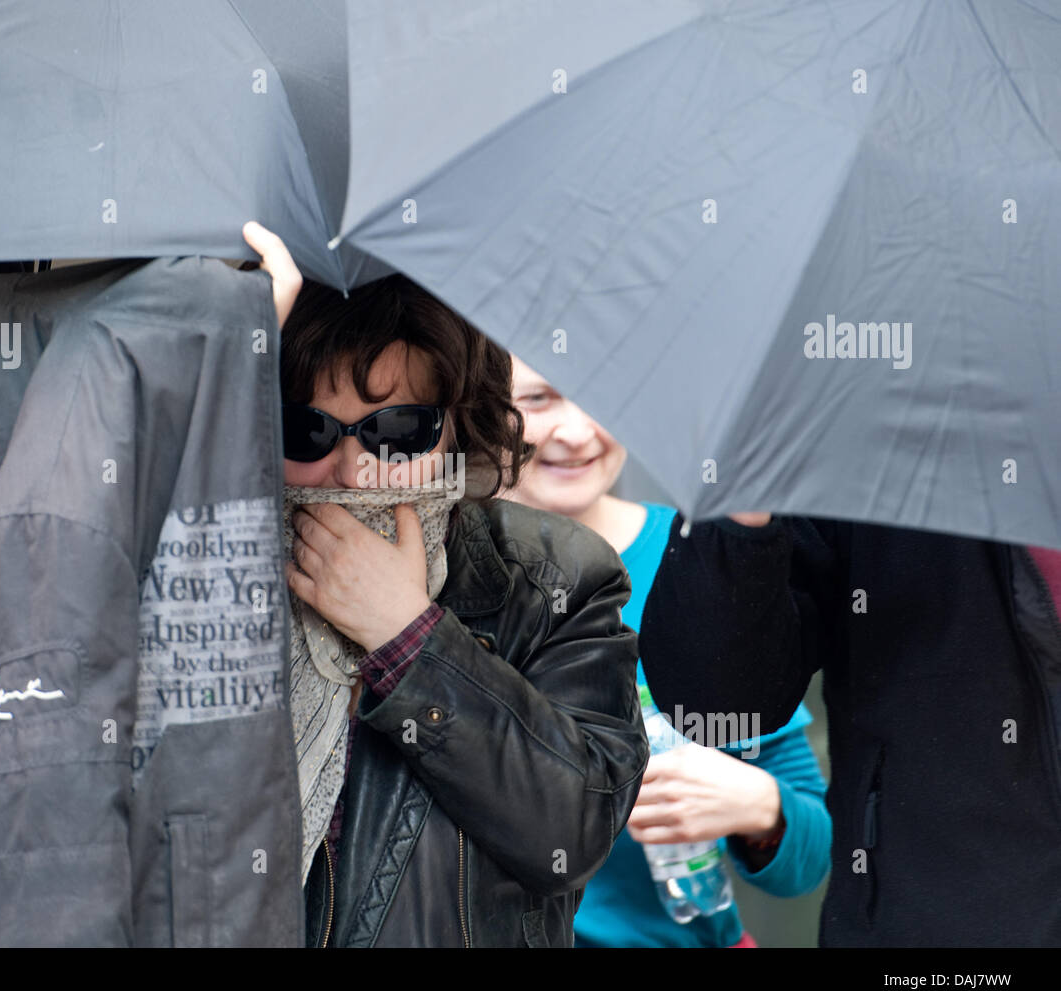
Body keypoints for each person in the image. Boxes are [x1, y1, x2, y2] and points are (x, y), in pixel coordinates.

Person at [277, 274, 649, 947]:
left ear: (457, 431)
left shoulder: (555, 578)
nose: (354, 469)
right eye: (308, 431)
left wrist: (406, 637)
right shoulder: (215, 572)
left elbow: (570, 832)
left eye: (396, 431)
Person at [504, 355, 831, 947]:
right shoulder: (425, 574)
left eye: (602, 394)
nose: (579, 431)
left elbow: (812, 856)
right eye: (538, 399)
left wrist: (759, 807)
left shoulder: (701, 557)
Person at [639, 504, 1061, 946]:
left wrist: (766, 811)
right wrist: (736, 512)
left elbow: (800, 835)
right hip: (929, 923)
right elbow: (715, 707)